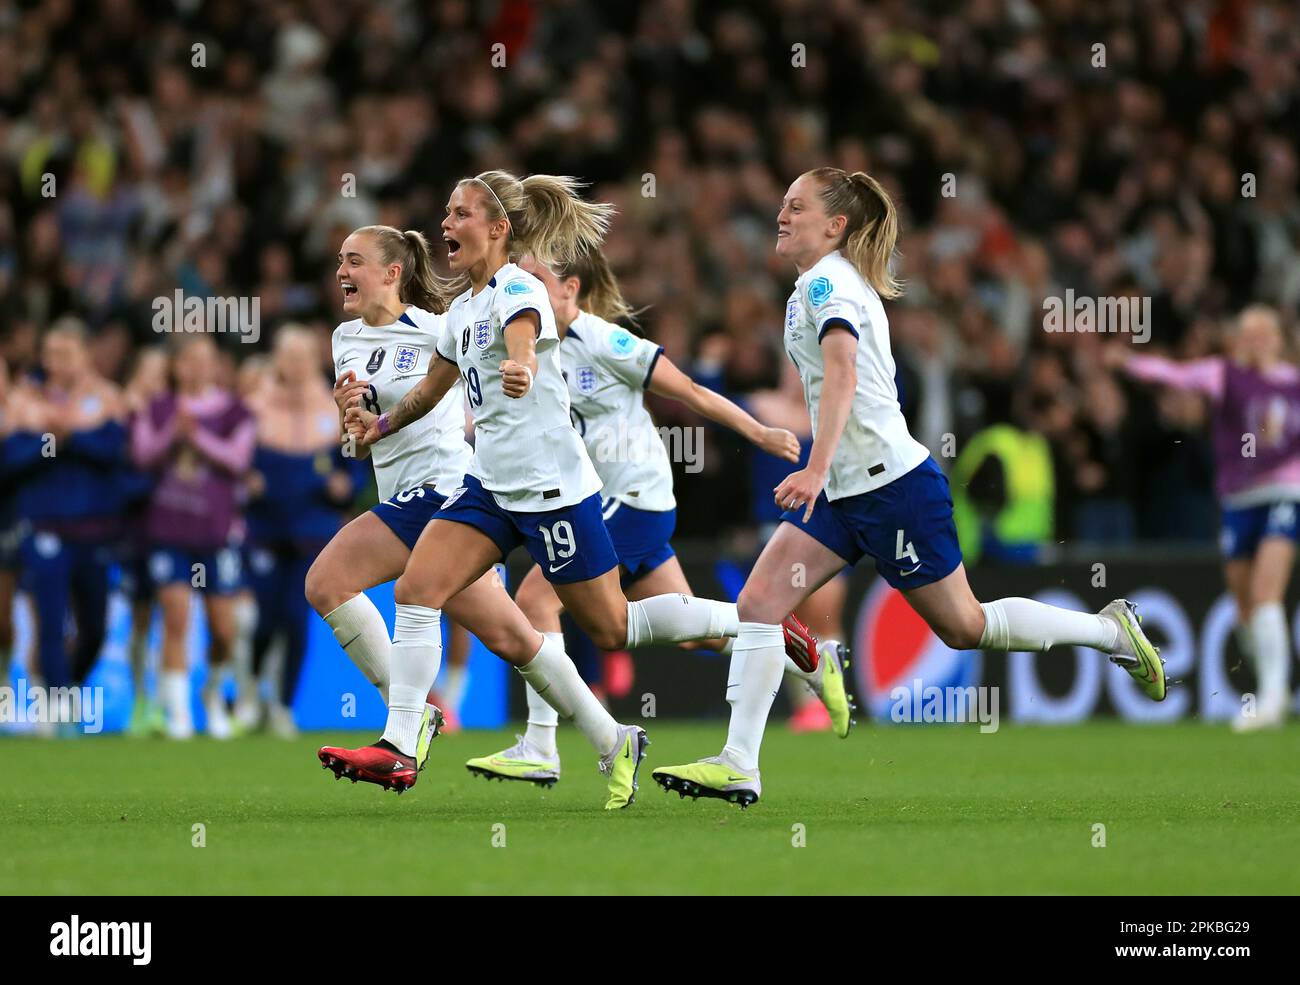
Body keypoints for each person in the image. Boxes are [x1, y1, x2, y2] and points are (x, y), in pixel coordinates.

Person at [652, 168, 1167, 807]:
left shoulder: (828, 283)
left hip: (891, 486)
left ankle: (1111, 632)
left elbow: (841, 374)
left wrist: (815, 465)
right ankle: (739, 762)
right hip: (844, 489)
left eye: (796, 206)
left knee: (964, 627)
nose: (780, 215)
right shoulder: (813, 287)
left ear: (835, 225)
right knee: (759, 604)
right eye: (782, 205)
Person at [341, 172, 779, 806]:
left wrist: (520, 364)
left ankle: (755, 623)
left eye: (459, 213)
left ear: (497, 229)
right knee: (417, 589)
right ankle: (401, 745)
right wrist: (379, 424)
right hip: (490, 487)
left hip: (552, 492)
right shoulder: (460, 311)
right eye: (446, 212)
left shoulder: (520, 290)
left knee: (611, 627)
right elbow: (431, 390)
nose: (445, 225)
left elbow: (522, 336)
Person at [465, 246, 847, 788]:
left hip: (632, 498)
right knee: (699, 636)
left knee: (533, 598)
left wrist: (758, 434)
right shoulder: (528, 341)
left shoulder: (602, 341)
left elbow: (689, 389)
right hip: (606, 500)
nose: (521, 287)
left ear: (571, 288)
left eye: (536, 278)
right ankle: (806, 659)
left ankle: (541, 746)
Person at [308, 223, 646, 809]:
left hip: (444, 487)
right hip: (403, 492)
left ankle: (407, 724)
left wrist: (523, 369)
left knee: (327, 581)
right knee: (515, 637)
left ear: (392, 273)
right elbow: (363, 440)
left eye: (354, 260)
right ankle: (611, 737)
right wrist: (355, 423)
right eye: (340, 259)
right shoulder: (344, 338)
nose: (342, 270)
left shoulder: (444, 329)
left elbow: (484, 395)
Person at [1113, 304, 1299, 729]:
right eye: (1246, 334)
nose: (1254, 342)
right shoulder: (1225, 374)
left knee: (1267, 590)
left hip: (1285, 492)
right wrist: (1129, 361)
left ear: (1276, 338)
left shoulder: (1294, 385)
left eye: (1261, 333)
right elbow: (1175, 375)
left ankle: (1273, 697)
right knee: (1243, 602)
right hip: (1238, 500)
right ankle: (1272, 683)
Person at [131, 335, 255, 739]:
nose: (197, 368)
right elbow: (143, 454)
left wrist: (195, 437)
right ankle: (179, 717)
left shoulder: (236, 412)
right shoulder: (159, 407)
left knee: (224, 630)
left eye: (205, 360)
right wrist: (172, 432)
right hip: (169, 531)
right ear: (176, 366)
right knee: (176, 620)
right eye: (189, 360)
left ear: (216, 365)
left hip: (215, 535)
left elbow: (238, 460)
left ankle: (212, 693)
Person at [7, 320, 126, 714]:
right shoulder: (27, 401)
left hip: (94, 529)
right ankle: (57, 703)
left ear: (84, 356)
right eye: (52, 354)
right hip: (45, 526)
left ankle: (71, 684)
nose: (58, 363)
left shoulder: (106, 399)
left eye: (66, 354)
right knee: (51, 619)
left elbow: (113, 454)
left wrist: (69, 436)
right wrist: (51, 442)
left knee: (95, 626)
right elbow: (11, 461)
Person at [245, 325, 358, 737]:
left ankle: (283, 706)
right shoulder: (256, 403)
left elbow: (353, 453)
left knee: (296, 618)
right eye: (287, 356)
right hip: (266, 528)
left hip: (312, 527)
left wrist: (348, 483)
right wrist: (246, 480)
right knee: (262, 620)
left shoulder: (333, 402)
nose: (294, 365)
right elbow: (238, 455)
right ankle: (252, 691)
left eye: (302, 356)